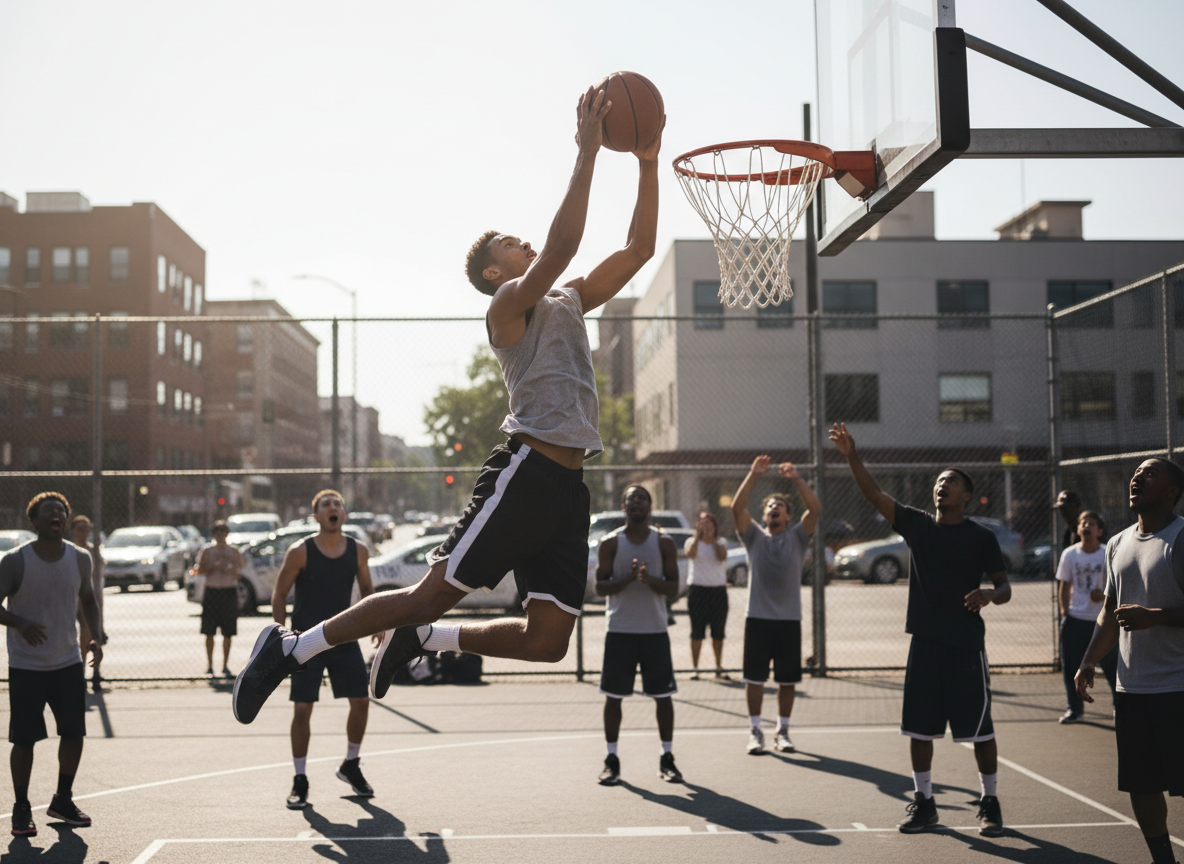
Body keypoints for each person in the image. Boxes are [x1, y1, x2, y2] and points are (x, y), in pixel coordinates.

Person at [233, 85, 663, 725]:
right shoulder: (508, 307)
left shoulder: (568, 300)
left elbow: (638, 250)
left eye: (522, 241)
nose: (523, 245)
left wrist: (649, 161)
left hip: (570, 487)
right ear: (496, 273)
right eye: (512, 245)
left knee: (547, 642)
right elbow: (562, 249)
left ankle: (427, 639)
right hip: (527, 472)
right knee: (425, 595)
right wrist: (588, 151)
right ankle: (292, 646)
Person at [830, 423, 1010, 837]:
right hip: (926, 645)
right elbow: (874, 494)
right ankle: (925, 803)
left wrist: (989, 594)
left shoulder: (981, 536)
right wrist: (851, 456)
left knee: (979, 731)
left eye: (951, 482)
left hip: (966, 646)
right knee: (918, 729)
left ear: (966, 494)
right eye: (938, 482)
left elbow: (1005, 587)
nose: (942, 486)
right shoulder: (918, 525)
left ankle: (990, 801)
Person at [1075, 458, 1184, 864]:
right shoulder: (1118, 543)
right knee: (1142, 785)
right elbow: (1110, 611)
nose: (1137, 477)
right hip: (1132, 688)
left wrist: (1156, 618)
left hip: (1178, 685)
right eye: (1136, 473)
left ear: (1172, 491)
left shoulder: (1182, 537)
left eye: (1150, 473)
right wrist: (1088, 660)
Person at [0, 492, 103, 836]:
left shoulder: (80, 558)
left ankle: (62, 799)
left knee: (74, 733)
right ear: (35, 520)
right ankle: (21, 807)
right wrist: (20, 623)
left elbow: (87, 599)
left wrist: (96, 637)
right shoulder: (16, 561)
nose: (56, 514)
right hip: (27, 664)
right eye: (49, 510)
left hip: (68, 661)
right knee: (25, 740)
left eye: (61, 510)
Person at [270, 490, 376, 809]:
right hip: (306, 640)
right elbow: (279, 594)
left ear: (344, 515)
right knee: (302, 709)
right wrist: (281, 635)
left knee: (361, 701)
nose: (333, 508)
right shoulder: (299, 551)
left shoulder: (358, 550)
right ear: (315, 516)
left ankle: (350, 764)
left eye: (337, 504)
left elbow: (369, 590)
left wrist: (378, 623)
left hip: (343, 637)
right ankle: (300, 779)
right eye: (325, 505)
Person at [730, 455, 820, 756]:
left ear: (787, 516)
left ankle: (782, 731)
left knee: (787, 680)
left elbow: (815, 509)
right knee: (754, 679)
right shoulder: (754, 537)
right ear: (765, 514)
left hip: (788, 621)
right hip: (757, 619)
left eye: (779, 506)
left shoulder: (797, 538)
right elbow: (737, 508)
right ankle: (756, 730)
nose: (773, 509)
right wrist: (753, 473)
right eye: (769, 506)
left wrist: (796, 478)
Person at [594, 485, 682, 786]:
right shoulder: (610, 543)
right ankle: (612, 758)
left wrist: (649, 579)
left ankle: (667, 757)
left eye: (641, 498)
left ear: (650, 506)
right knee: (614, 697)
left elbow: (673, 588)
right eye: (631, 499)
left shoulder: (664, 543)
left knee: (663, 697)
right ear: (623, 507)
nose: (636, 503)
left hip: (654, 631)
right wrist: (628, 578)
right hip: (620, 631)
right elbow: (599, 588)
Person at [1056, 510, 1117, 723]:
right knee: (1072, 667)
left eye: (1091, 523)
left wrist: (1102, 595)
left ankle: (1121, 708)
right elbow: (1064, 586)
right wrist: (1066, 614)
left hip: (1102, 622)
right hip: (1075, 621)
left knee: (1112, 666)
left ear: (1099, 531)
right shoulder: (1070, 554)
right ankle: (1075, 709)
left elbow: (1116, 586)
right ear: (1078, 529)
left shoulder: (1107, 553)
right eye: (1083, 523)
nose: (1086, 526)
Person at [194, 520, 245, 677]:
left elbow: (240, 573)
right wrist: (212, 567)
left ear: (227, 534)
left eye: (223, 532)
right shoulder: (207, 551)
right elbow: (198, 570)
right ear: (214, 535)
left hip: (228, 592)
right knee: (209, 631)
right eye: (217, 532)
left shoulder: (234, 551)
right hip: (212, 592)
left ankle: (225, 665)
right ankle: (210, 665)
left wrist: (230, 568)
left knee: (228, 632)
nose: (220, 535)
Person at [685, 511, 729, 680]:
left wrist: (714, 540)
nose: (707, 527)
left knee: (718, 631)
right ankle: (695, 668)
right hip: (698, 591)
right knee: (697, 631)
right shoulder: (692, 542)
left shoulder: (721, 543)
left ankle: (718, 666)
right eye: (703, 524)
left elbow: (721, 557)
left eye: (710, 524)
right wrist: (698, 537)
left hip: (717, 591)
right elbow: (691, 554)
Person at [69, 514, 104, 693]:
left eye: (87, 528)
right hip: (71, 597)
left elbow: (98, 580)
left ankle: (95, 673)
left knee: (90, 635)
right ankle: (79, 676)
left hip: (88, 598)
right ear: (73, 530)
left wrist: (99, 602)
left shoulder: (93, 552)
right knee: (77, 637)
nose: (84, 532)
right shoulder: (68, 551)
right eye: (80, 528)